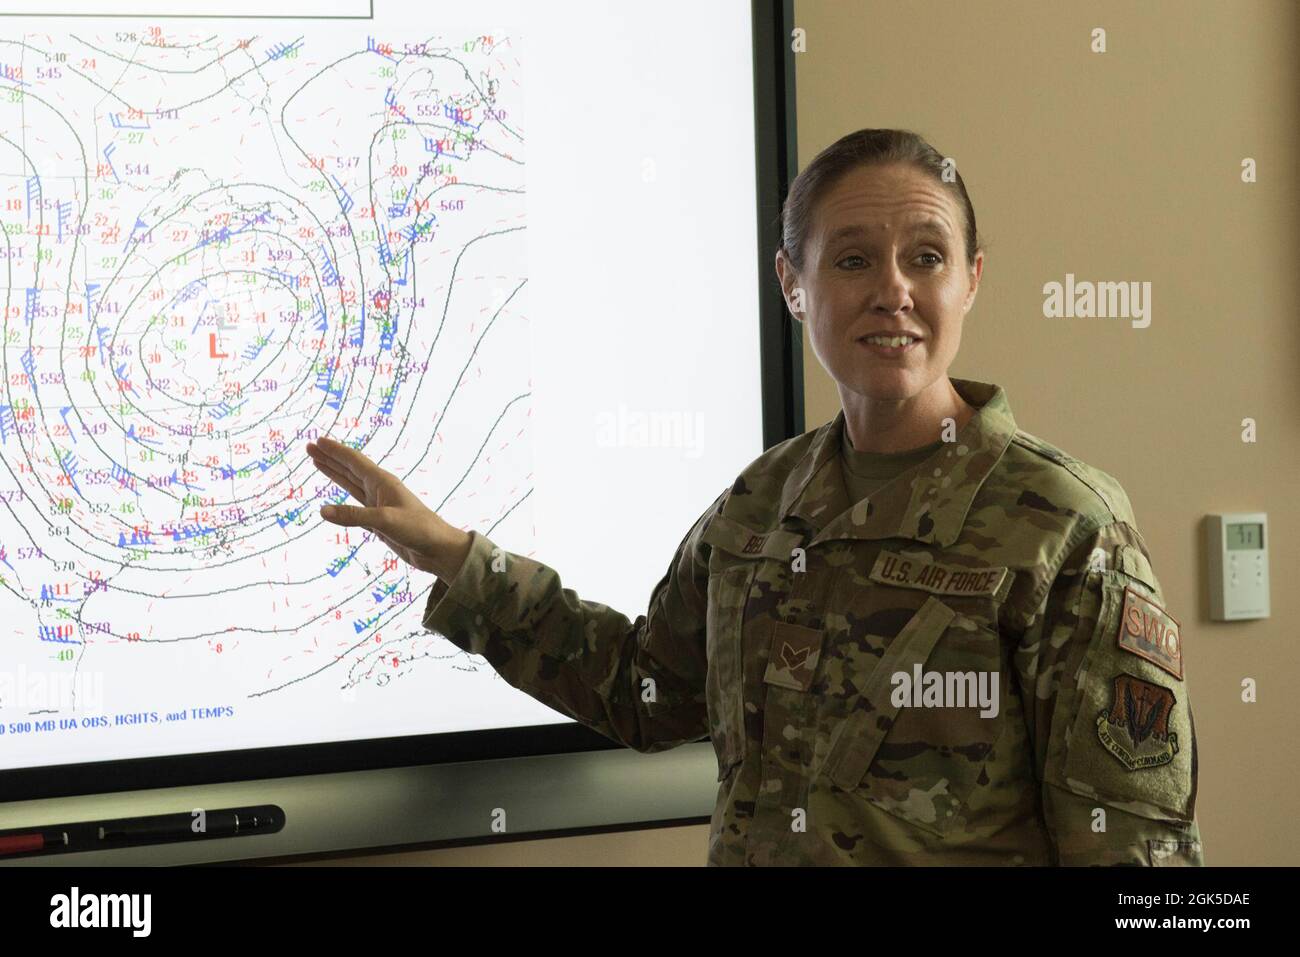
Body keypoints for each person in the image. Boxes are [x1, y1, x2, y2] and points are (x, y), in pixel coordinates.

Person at [307, 128, 1203, 866]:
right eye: (853, 259)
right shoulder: (761, 503)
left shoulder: (1065, 525)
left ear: (970, 279)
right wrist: (458, 559)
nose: (893, 289)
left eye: (925, 257)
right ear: (793, 286)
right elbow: (647, 690)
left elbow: (1137, 855)